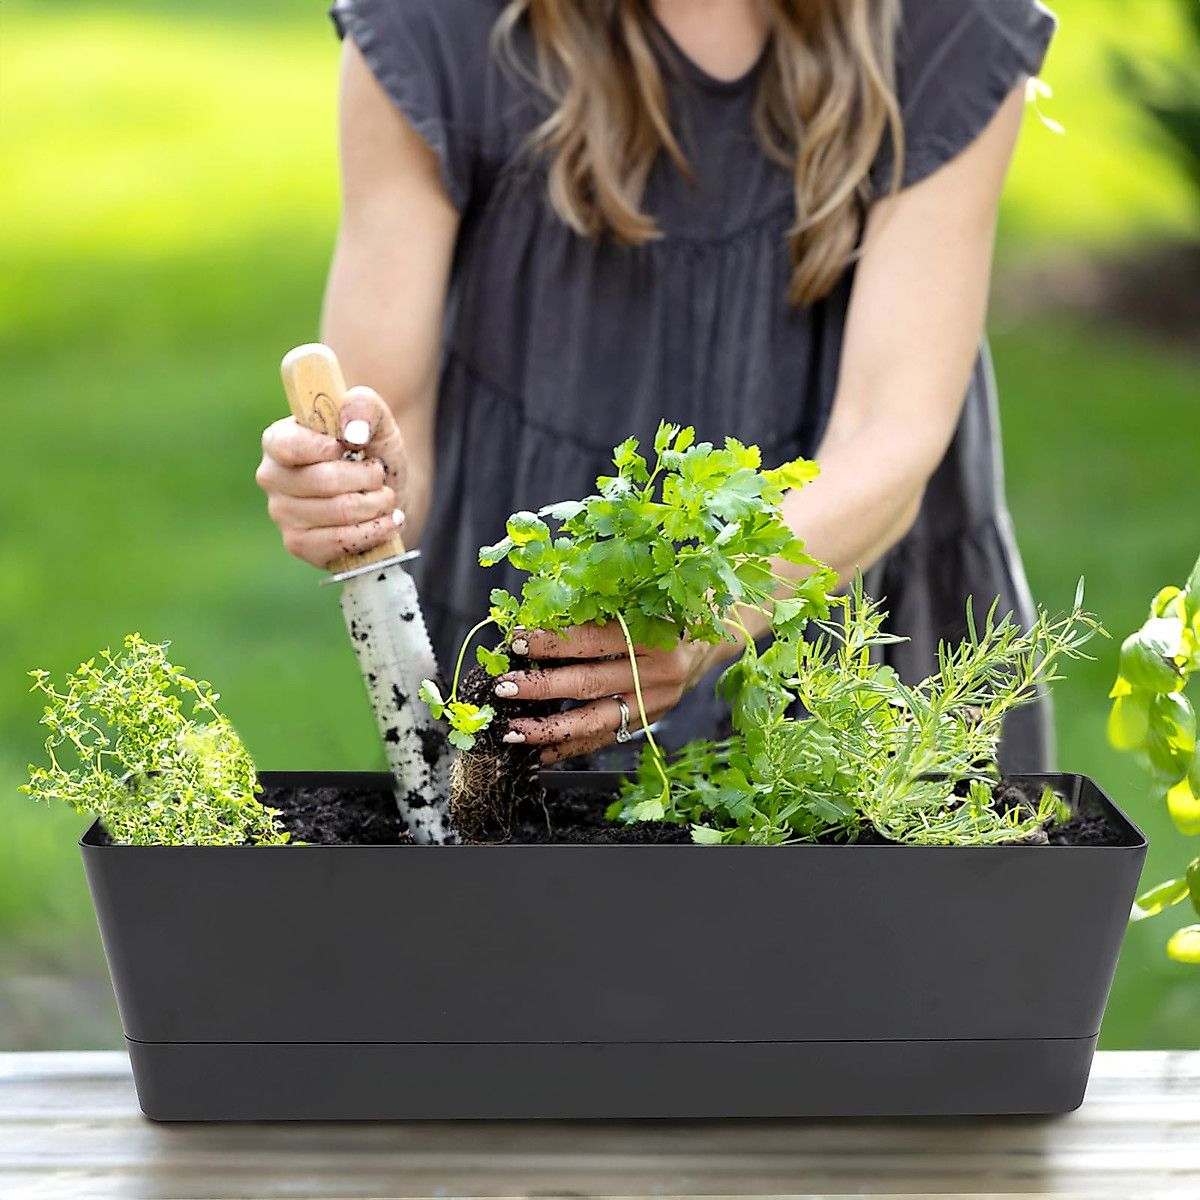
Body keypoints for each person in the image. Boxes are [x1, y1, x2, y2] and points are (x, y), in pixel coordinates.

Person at [256, 0, 1058, 770]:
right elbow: (398, 447)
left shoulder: (947, 20)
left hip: (850, 618)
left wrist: (708, 609)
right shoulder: (432, 21)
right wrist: (358, 497)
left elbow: (892, 429)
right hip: (543, 662)